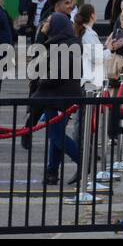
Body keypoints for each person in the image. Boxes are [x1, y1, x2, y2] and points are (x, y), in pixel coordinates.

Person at [32, 12, 82, 186]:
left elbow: (51, 73)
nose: (45, 24)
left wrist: (41, 81)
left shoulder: (64, 45)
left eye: (48, 22)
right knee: (56, 135)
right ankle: (52, 172)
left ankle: (83, 162)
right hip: (57, 97)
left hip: (59, 97)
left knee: (56, 135)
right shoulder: (58, 42)